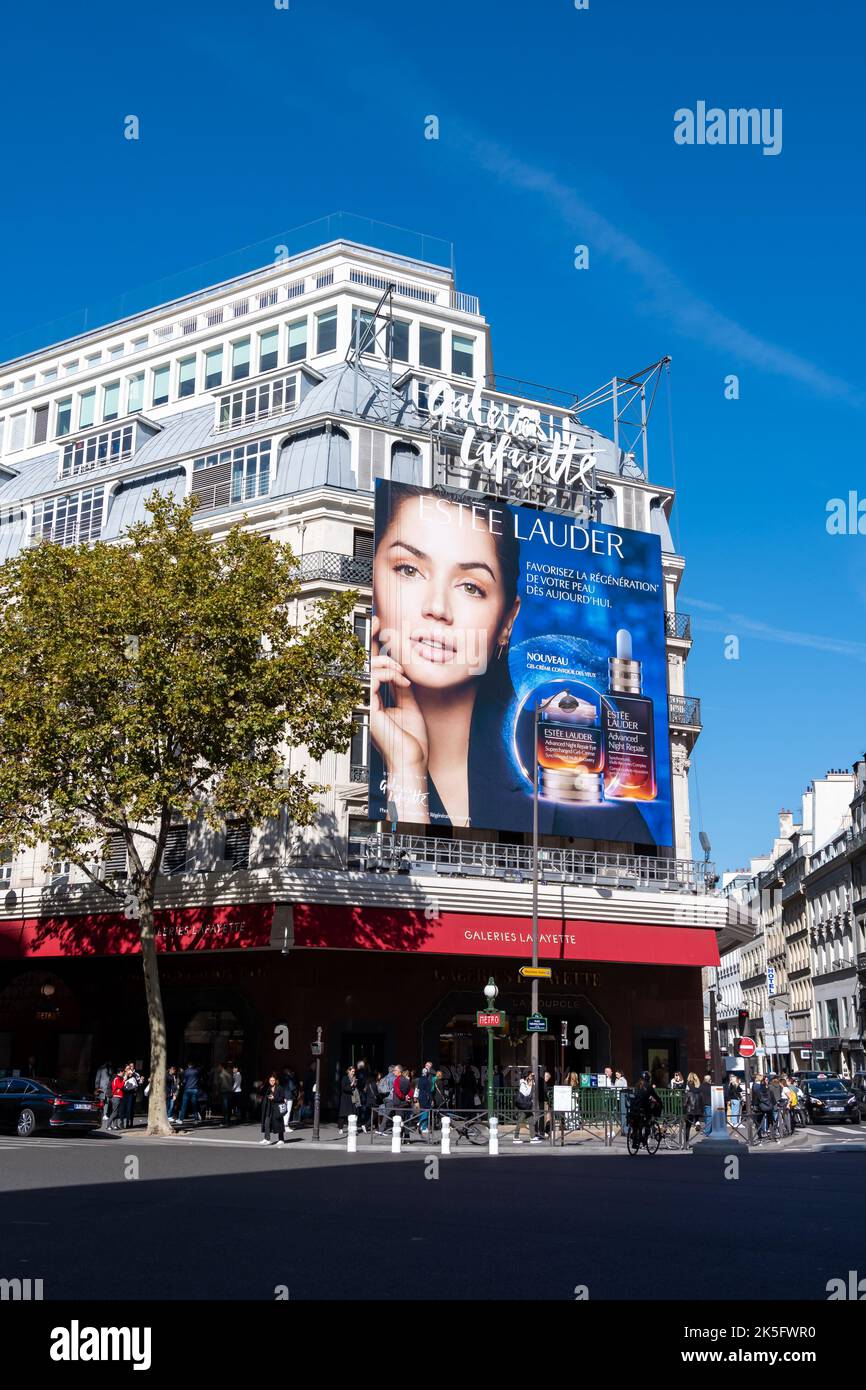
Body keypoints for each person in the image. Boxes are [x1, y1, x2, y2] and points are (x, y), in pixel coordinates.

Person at [368, 484, 659, 841]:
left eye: (470, 587)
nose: (437, 608)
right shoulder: (350, 732)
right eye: (409, 569)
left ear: (507, 622)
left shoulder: (559, 763)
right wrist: (405, 768)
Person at [628, 1071, 663, 1145]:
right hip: (644, 1108)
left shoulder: (637, 1085)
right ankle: (644, 1139)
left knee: (636, 1122)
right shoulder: (648, 1086)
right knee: (648, 1122)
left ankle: (635, 1140)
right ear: (648, 1079)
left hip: (634, 1108)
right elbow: (655, 1096)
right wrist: (660, 1102)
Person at [260, 1073, 287, 1146]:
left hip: (277, 1108)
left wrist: (274, 1098)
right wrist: (263, 1085)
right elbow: (262, 1093)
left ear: (275, 1081)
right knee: (266, 1122)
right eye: (270, 1080)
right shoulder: (267, 1087)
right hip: (268, 1108)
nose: (272, 1082)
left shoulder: (279, 1088)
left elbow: (282, 1097)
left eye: (273, 1080)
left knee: (279, 1123)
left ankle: (281, 1139)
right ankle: (267, 1139)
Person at [513, 1069, 539, 1144]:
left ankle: (532, 1137)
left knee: (530, 1120)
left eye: (532, 1076)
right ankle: (516, 1137)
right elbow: (525, 1094)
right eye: (531, 1075)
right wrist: (530, 1086)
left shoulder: (529, 1083)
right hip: (524, 1105)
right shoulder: (523, 1083)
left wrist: (531, 1084)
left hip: (527, 1105)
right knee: (520, 1121)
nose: (532, 1077)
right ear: (527, 1076)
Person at [337, 1065, 360, 1137]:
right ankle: (340, 1128)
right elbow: (344, 1088)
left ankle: (353, 1128)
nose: (353, 1073)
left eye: (354, 1072)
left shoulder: (354, 1078)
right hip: (346, 1098)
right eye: (352, 1071)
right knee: (343, 1114)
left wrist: (355, 1084)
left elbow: (355, 1088)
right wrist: (352, 1084)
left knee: (353, 1113)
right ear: (349, 1071)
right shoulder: (345, 1078)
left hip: (353, 1098)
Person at [178, 1061, 201, 1125]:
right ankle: (195, 1120)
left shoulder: (186, 1072)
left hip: (187, 1089)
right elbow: (199, 1080)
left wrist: (183, 1083)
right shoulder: (196, 1071)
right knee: (194, 1105)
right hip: (195, 1089)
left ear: (188, 1065)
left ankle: (181, 1119)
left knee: (184, 1105)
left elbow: (184, 1081)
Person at [682, 1072, 702, 1143]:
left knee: (687, 1127)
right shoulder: (699, 1089)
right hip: (698, 1110)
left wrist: (683, 1111)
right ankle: (697, 1122)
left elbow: (685, 1103)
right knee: (696, 1118)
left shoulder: (688, 1090)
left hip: (690, 1110)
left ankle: (686, 1142)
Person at [121, 1063, 140, 1130]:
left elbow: (137, 1084)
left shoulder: (134, 1075)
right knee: (123, 1108)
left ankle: (128, 1123)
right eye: (128, 1068)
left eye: (130, 1068)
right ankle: (122, 1122)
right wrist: (126, 1076)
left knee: (129, 1108)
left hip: (130, 1094)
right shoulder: (123, 1075)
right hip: (123, 1093)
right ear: (125, 1069)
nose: (129, 1069)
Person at [417, 1061, 434, 1136]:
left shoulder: (420, 1079)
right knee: (426, 1111)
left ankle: (420, 1124)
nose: (428, 1067)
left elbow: (418, 1088)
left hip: (421, 1096)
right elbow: (429, 1091)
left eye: (429, 1066)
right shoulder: (427, 1080)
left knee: (422, 1111)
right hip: (426, 1098)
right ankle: (423, 1127)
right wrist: (431, 1099)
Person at [216, 1062, 233, 1127]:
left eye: (219, 1066)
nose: (218, 1068)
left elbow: (218, 1084)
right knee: (228, 1107)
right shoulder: (229, 1074)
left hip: (224, 1091)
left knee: (225, 1108)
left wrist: (217, 1091)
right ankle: (228, 1121)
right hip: (229, 1091)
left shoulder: (221, 1074)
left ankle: (225, 1122)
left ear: (222, 1067)